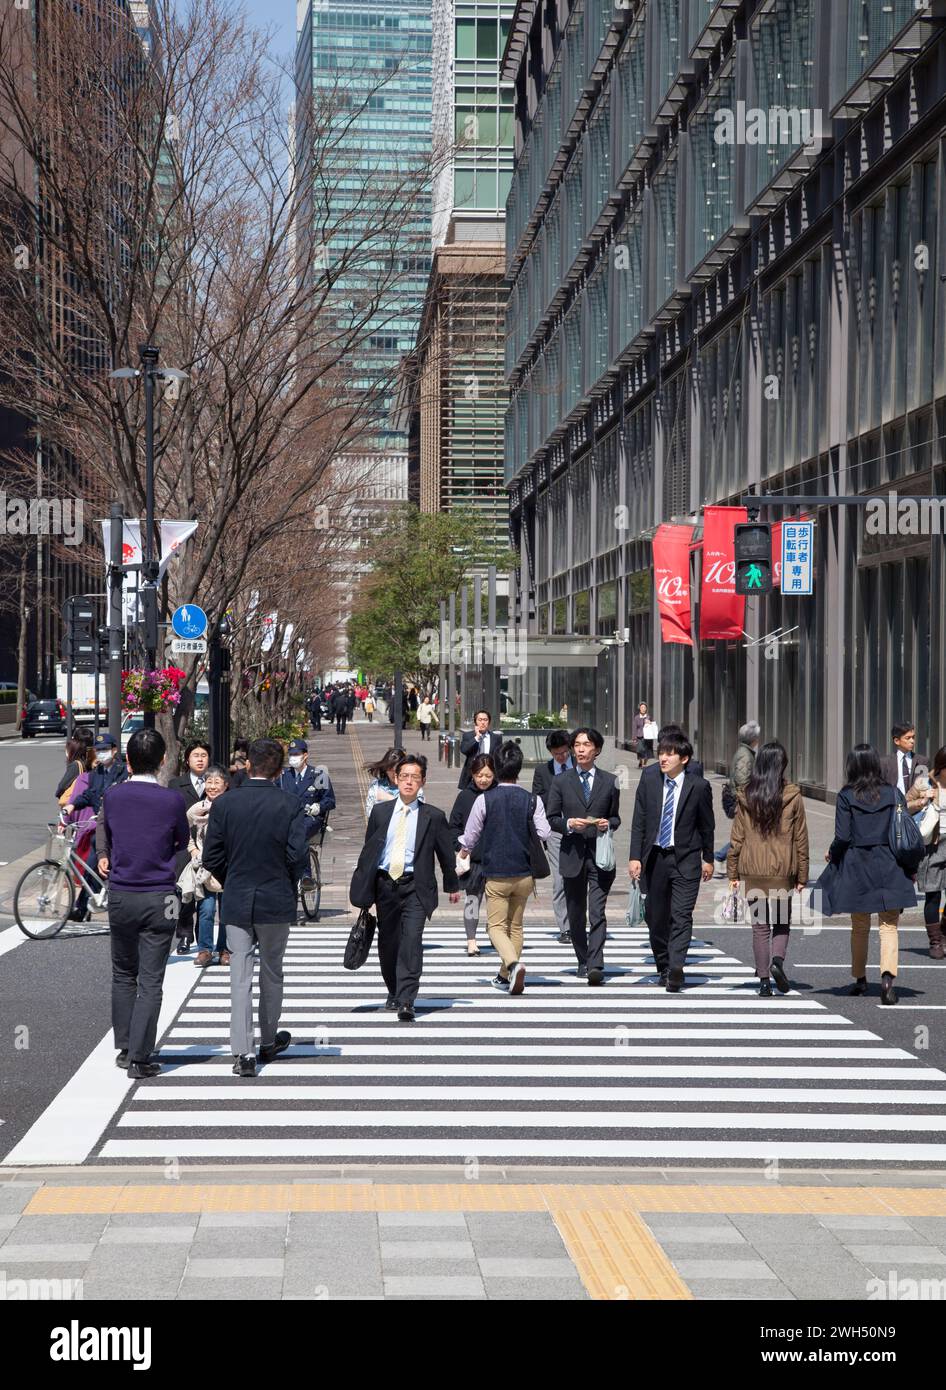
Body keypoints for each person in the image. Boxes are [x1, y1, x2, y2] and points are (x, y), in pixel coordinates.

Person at [202, 737, 309, 1077]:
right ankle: (267, 1040)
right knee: (273, 971)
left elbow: (211, 857)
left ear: (247, 765)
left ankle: (243, 1053)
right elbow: (297, 856)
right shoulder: (290, 804)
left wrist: (231, 877)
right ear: (278, 770)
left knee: (240, 976)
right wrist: (286, 880)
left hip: (237, 896)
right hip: (276, 898)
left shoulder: (225, 805)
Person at [95, 729, 189, 1078]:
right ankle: (140, 1056)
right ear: (164, 759)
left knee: (123, 973)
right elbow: (181, 841)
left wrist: (106, 855)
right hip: (159, 895)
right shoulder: (172, 800)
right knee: (151, 979)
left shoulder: (114, 796)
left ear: (127, 760)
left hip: (121, 893)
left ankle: (123, 1047)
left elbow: (110, 835)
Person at [349, 752, 460, 1022]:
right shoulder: (381, 812)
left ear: (423, 782)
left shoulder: (433, 816)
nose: (409, 782)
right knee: (389, 944)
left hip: (416, 887)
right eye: (404, 776)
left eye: (415, 777)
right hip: (385, 885)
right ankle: (394, 989)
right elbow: (370, 850)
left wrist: (452, 884)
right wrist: (364, 887)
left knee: (411, 942)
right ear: (396, 779)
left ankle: (407, 999)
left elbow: (446, 854)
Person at [816, 743, 917, 1005]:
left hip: (857, 865)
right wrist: (911, 868)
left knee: (859, 926)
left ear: (852, 766)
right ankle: (886, 979)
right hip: (890, 864)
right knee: (889, 926)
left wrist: (832, 854)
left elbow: (843, 836)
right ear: (875, 764)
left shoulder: (847, 795)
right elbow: (903, 832)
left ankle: (860, 979)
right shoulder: (893, 793)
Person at [459, 741, 550, 994]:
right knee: (516, 927)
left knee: (495, 927)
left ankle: (512, 964)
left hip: (497, 873)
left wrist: (463, 852)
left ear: (496, 769)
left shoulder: (485, 800)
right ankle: (503, 975)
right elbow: (544, 832)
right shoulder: (533, 800)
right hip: (524, 874)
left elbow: (470, 836)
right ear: (519, 769)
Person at [629, 727, 715, 993]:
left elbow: (706, 826)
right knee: (655, 916)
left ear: (684, 758)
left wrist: (708, 858)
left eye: (669, 754)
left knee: (681, 915)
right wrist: (634, 856)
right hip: (655, 858)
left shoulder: (699, 787)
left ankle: (676, 967)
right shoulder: (649, 778)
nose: (663, 758)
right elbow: (639, 820)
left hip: (686, 859)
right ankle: (663, 965)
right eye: (661, 753)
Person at [726, 741, 809, 996]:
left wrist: (732, 872)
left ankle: (764, 982)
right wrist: (802, 875)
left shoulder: (746, 795)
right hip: (783, 870)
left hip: (753, 870)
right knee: (782, 922)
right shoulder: (793, 796)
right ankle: (778, 962)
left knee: (760, 926)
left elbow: (737, 836)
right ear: (782, 765)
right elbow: (801, 838)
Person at [545, 727, 621, 984]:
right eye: (576, 744)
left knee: (597, 912)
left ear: (596, 750)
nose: (580, 749)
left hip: (599, 855)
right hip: (572, 854)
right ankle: (582, 959)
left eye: (586, 744)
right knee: (576, 913)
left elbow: (616, 817)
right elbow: (551, 818)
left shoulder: (610, 781)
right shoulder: (561, 781)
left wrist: (606, 824)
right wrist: (568, 824)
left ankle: (596, 963)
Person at [182, 765, 231, 967]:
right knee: (206, 908)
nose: (212, 786)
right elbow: (184, 832)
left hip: (227, 865)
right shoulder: (195, 809)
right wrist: (193, 851)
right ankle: (204, 949)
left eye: (217, 782)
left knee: (227, 909)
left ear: (226, 785)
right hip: (204, 866)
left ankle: (224, 949)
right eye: (209, 782)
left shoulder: (231, 807)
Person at [449, 753, 497, 955]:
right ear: (472, 774)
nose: (483, 779)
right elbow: (453, 826)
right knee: (472, 901)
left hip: (497, 860)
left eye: (487, 775)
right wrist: (460, 847)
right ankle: (471, 940)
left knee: (497, 903)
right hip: (474, 861)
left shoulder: (498, 795)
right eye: (479, 775)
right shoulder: (465, 796)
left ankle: (496, 934)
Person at [531, 730, 575, 944]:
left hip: (580, 828)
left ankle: (578, 921)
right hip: (555, 830)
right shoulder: (543, 771)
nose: (562, 757)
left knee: (579, 877)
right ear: (550, 752)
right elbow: (537, 800)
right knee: (560, 879)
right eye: (557, 754)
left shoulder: (579, 765)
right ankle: (565, 927)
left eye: (565, 752)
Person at [168, 740, 212, 955]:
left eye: (204, 755)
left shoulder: (216, 782)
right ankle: (184, 935)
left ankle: (203, 935)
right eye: (196, 755)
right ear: (187, 759)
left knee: (206, 891)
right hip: (184, 844)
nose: (200, 759)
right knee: (184, 891)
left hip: (210, 843)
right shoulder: (176, 784)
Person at [278, 738, 336, 882]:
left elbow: (330, 800)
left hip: (310, 818)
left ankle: (306, 876)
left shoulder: (318, 774)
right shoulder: (283, 776)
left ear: (305, 755)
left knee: (300, 833)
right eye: (291, 754)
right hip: (288, 818)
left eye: (296, 754)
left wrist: (319, 807)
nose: (293, 758)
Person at [912, 748, 946, 959]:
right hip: (933, 846)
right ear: (942, 767)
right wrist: (923, 800)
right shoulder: (925, 782)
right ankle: (935, 942)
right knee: (933, 896)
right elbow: (902, 807)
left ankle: (944, 931)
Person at [715, 721, 761, 870]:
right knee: (747, 833)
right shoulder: (745, 756)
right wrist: (746, 802)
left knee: (745, 832)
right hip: (743, 801)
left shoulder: (744, 753)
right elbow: (743, 781)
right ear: (753, 739)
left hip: (742, 799)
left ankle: (722, 856)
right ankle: (721, 855)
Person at [61, 738, 98, 921]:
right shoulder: (86, 778)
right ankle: (84, 907)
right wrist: (67, 815)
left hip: (93, 831)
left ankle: (83, 907)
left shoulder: (86, 778)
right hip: (88, 829)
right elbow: (77, 800)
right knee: (91, 869)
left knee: (92, 868)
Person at [63, 731, 127, 818]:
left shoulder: (123, 771)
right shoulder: (95, 772)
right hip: (100, 819)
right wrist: (73, 805)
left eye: (105, 749)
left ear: (114, 750)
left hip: (118, 818)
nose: (101, 753)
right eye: (98, 750)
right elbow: (89, 794)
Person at [457, 709, 503, 789]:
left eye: (485, 720)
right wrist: (477, 738)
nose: (483, 722)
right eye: (480, 720)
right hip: (471, 777)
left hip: (490, 777)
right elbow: (464, 750)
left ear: (489, 722)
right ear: (475, 722)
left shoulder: (496, 738)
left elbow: (499, 757)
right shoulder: (468, 736)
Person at [880, 721, 929, 794]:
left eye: (913, 737)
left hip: (915, 803)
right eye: (908, 738)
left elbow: (924, 787)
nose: (912, 741)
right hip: (893, 803)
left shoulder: (922, 761)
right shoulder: (884, 763)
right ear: (897, 741)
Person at [55, 729, 94, 801]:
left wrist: (59, 795)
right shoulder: (92, 760)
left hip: (76, 804)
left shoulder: (76, 765)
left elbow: (62, 786)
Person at [631, 702, 653, 769]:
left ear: (646, 709)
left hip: (647, 737)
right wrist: (634, 738)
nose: (643, 709)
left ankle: (644, 764)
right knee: (640, 750)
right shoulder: (636, 717)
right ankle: (641, 762)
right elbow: (634, 728)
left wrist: (650, 723)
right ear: (639, 709)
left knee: (647, 750)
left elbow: (653, 725)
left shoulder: (649, 717)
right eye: (642, 707)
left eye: (644, 707)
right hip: (639, 736)